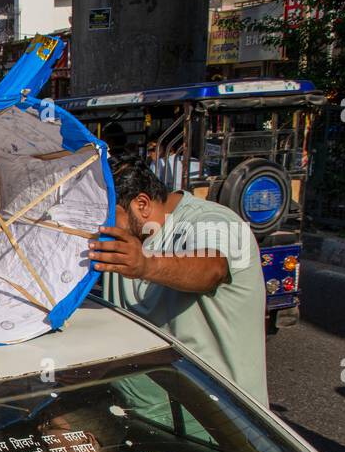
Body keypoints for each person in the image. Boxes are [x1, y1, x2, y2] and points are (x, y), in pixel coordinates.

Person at [94, 156, 268, 406]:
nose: (101, 226)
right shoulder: (119, 237)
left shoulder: (214, 222)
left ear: (142, 204)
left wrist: (145, 265)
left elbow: (211, 270)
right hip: (143, 412)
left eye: (107, 217)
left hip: (219, 417)